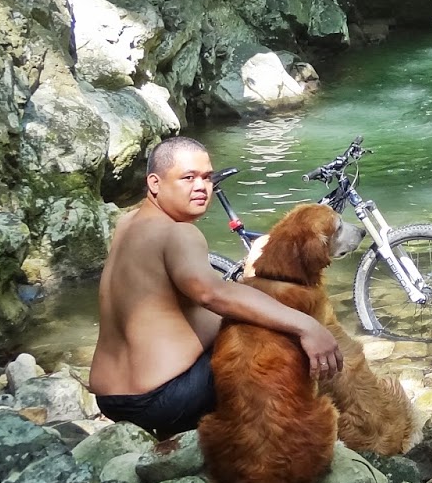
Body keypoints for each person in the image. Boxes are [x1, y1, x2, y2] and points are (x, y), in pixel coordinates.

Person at [89, 136, 344, 438]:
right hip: (164, 401)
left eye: (207, 177)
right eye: (188, 178)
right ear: (154, 183)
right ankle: (284, 437)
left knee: (250, 318)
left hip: (111, 399)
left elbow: (184, 306)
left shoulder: (128, 222)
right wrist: (307, 326)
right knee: (270, 339)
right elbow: (210, 294)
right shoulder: (179, 233)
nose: (202, 187)